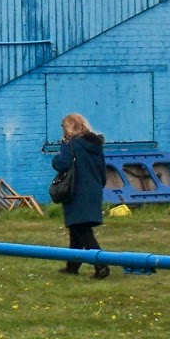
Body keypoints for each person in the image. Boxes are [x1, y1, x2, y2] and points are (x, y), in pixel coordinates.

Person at [53, 113, 109, 279]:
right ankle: (72, 266)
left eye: (63, 127)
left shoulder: (70, 143)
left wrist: (55, 159)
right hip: (94, 189)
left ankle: (102, 265)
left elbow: (63, 163)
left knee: (82, 231)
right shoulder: (95, 144)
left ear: (69, 127)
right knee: (76, 229)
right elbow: (102, 170)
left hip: (76, 190)